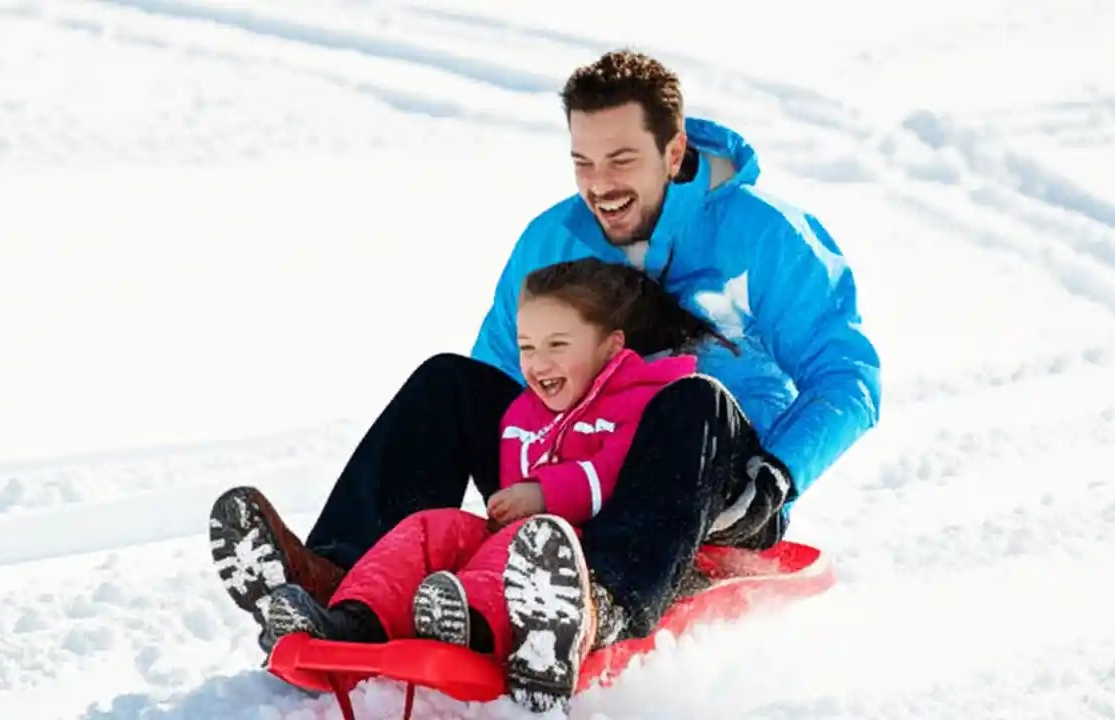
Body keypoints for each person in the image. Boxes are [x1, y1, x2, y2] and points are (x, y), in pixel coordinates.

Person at [209, 48, 880, 709]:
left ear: (673, 152)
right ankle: (345, 581)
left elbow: (849, 376)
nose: (600, 185)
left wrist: (776, 473)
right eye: (583, 162)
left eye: (621, 160)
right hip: (576, 462)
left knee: (690, 398)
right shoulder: (554, 240)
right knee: (450, 381)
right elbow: (501, 377)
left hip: (705, 484)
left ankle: (601, 604)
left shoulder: (763, 235)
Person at [251, 258, 736, 712]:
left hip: (608, 530)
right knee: (434, 529)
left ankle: (566, 617)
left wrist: (766, 483)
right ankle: (346, 608)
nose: (537, 360)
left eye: (555, 345)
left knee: (516, 555)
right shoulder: (537, 385)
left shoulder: (647, 396)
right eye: (528, 347)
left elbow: (619, 469)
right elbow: (502, 383)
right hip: (522, 522)